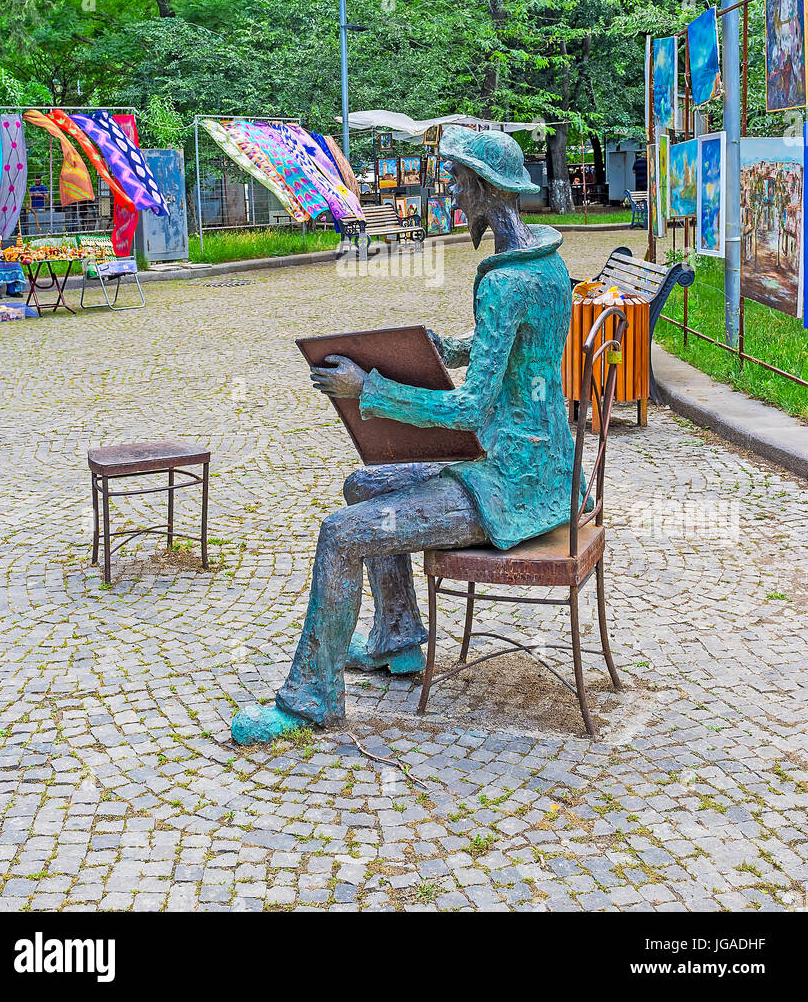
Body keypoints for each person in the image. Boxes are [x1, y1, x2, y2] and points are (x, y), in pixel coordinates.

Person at [232, 125, 577, 743]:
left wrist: (371, 392)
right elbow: (526, 350)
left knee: (341, 534)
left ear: (482, 187)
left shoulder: (505, 281)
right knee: (362, 485)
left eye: (457, 179)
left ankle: (310, 698)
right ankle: (397, 637)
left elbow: (470, 410)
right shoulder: (547, 263)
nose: (451, 189)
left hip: (510, 483)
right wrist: (455, 348)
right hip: (548, 468)